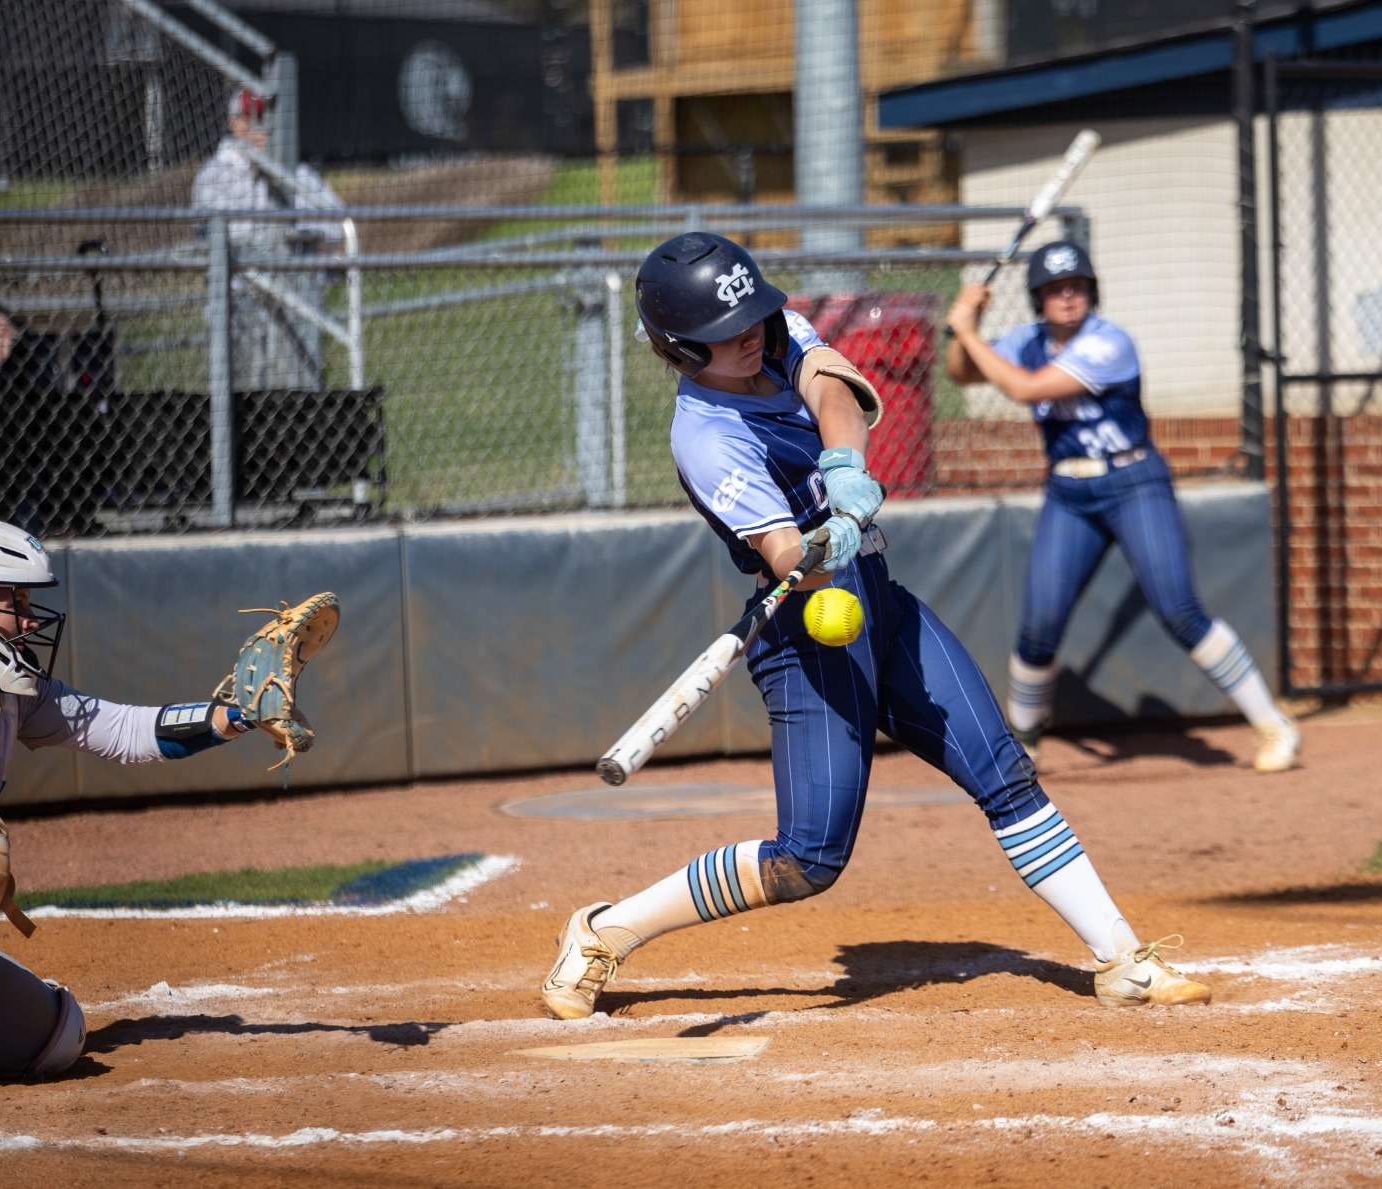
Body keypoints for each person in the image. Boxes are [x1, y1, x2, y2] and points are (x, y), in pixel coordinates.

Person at [539, 233, 1210, 1020]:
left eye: (753, 316)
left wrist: (844, 469)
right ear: (683, 347)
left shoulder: (772, 332)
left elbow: (833, 391)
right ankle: (605, 931)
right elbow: (784, 554)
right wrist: (817, 545)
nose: (752, 333)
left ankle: (1121, 958)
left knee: (1004, 769)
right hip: (810, 631)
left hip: (879, 598)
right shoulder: (706, 436)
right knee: (809, 858)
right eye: (727, 331)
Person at [941, 241, 1300, 771]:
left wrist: (969, 334)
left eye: (1076, 286)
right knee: (1040, 625)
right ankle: (1022, 745)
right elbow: (963, 374)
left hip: (1134, 483)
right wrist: (962, 329)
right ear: (1038, 297)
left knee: (1178, 611)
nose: (1067, 296)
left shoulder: (1109, 342)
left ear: (1092, 290)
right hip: (1069, 492)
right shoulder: (1026, 340)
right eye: (1054, 289)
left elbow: (1026, 389)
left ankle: (1274, 726)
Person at [0, 522, 324, 1077]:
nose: (32, 620)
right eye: (17, 603)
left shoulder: (18, 695)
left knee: (58, 1035)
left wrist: (239, 716)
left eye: (30, 603)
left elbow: (126, 730)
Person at [191, 88, 346, 392]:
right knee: (241, 401)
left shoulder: (292, 169)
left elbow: (336, 226)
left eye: (268, 120)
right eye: (255, 120)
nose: (263, 129)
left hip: (295, 309)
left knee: (299, 399)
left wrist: (292, 233)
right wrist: (286, 236)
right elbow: (231, 238)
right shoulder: (215, 175)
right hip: (237, 308)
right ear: (236, 123)